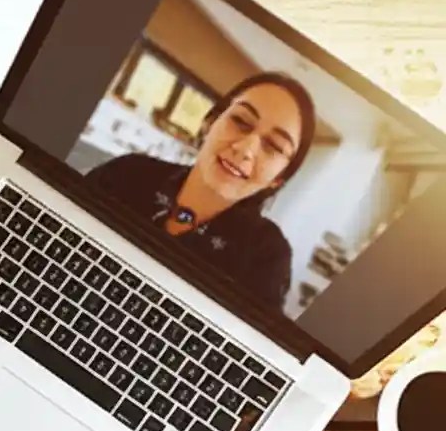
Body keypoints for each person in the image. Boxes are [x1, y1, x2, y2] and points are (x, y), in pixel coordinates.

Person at [85, 72, 317, 310]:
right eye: (241, 121)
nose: (245, 149)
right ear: (209, 123)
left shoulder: (266, 256)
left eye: (274, 146)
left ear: (278, 179)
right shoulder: (127, 173)